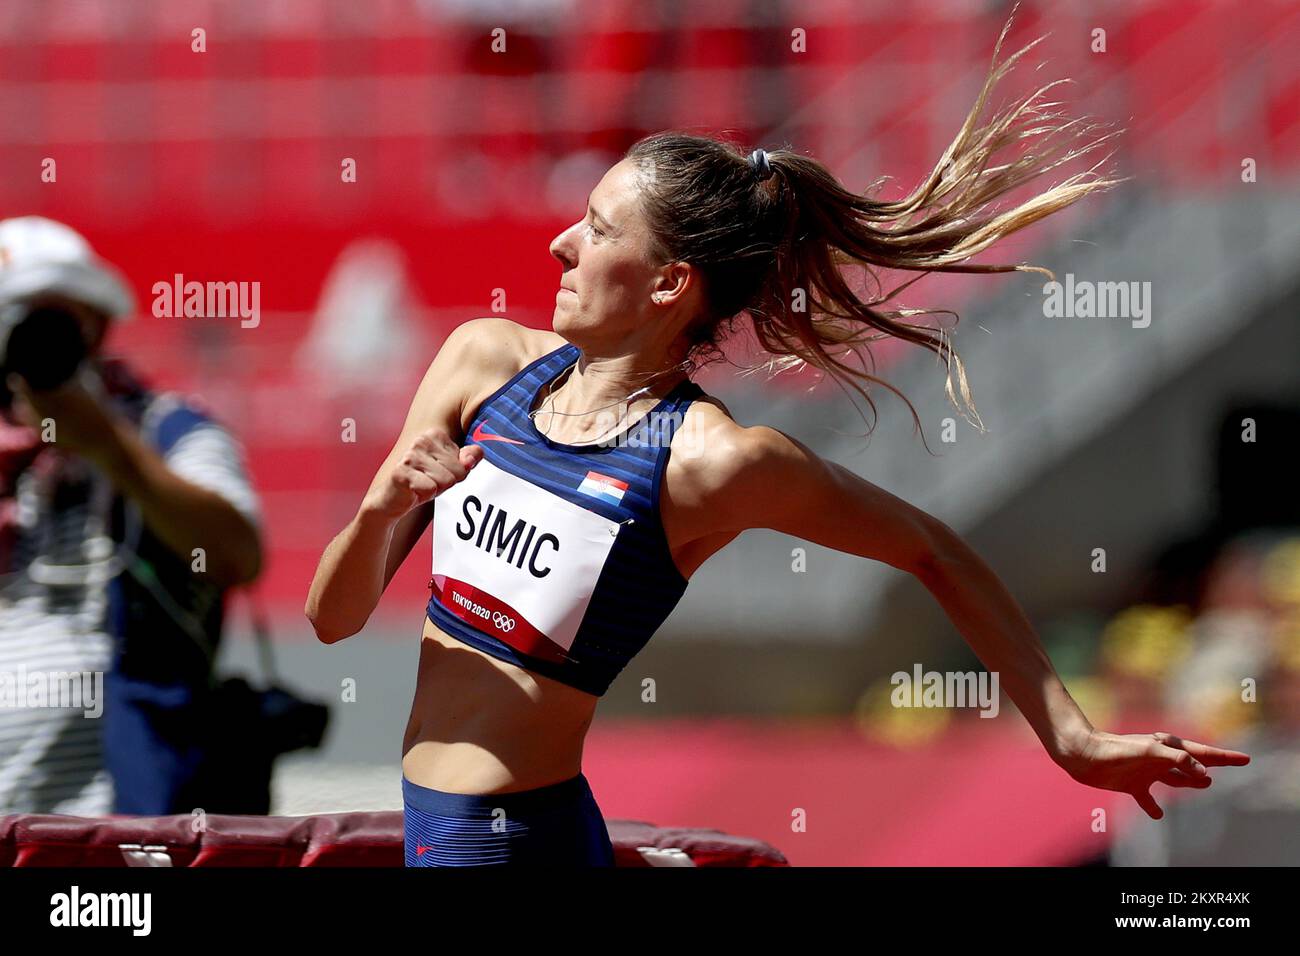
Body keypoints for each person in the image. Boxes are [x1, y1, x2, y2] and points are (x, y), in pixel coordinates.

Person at [305, 31, 1250, 865]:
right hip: (440, 825)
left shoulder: (714, 462)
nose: (560, 244)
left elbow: (932, 546)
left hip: (508, 842)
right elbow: (332, 621)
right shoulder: (480, 362)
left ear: (672, 281)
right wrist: (380, 509)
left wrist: (1069, 737)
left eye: (595, 230)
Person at [0, 216, 263, 815]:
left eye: (56, 320)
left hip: (121, 824)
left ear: (97, 327)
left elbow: (235, 555)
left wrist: (108, 449)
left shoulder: (164, 430)